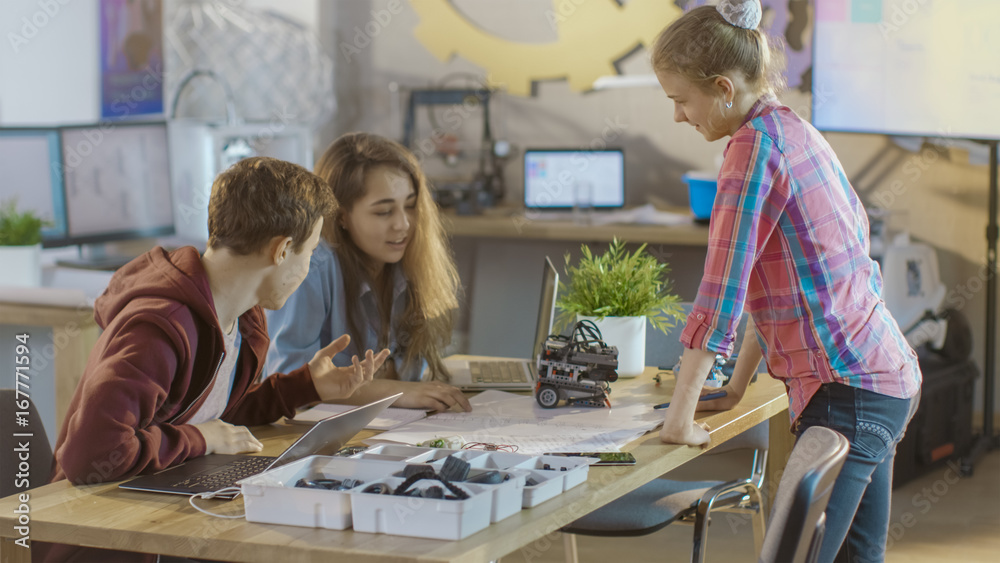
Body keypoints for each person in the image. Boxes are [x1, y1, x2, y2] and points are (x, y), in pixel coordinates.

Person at [651, 2, 921, 563]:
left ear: (723, 87)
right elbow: (775, 290)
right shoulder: (792, 130)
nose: (678, 115)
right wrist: (736, 385)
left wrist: (679, 419)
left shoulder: (751, 152)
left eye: (680, 99)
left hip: (846, 394)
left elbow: (721, 291)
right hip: (881, 376)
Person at [38, 157, 389, 562]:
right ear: (282, 250)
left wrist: (305, 385)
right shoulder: (157, 328)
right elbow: (92, 454)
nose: (307, 269)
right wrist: (200, 439)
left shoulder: (244, 316)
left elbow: (218, 410)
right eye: (309, 252)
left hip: (160, 518)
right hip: (104, 541)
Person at [266, 132, 471, 413]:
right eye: (384, 211)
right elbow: (287, 381)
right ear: (340, 216)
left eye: (410, 206)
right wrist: (395, 391)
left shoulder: (407, 260)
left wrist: (395, 387)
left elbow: (410, 372)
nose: (403, 224)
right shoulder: (312, 268)